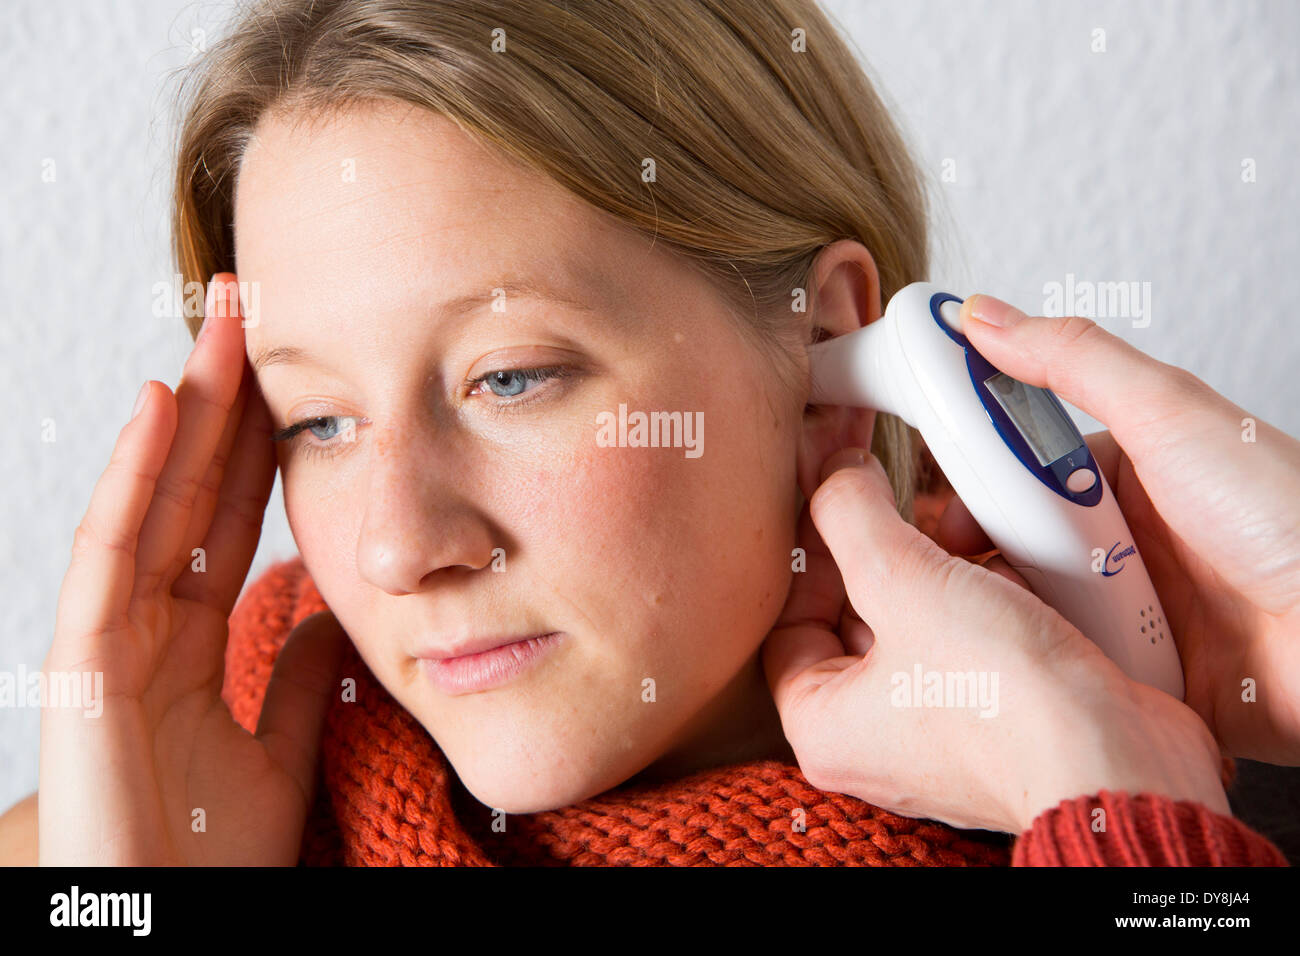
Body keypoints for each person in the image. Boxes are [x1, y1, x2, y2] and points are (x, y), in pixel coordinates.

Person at [2, 0, 1295, 866]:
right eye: (318, 420)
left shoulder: (1176, 799)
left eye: (509, 379)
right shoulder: (125, 820)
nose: (398, 548)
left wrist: (1109, 798)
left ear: (822, 361)